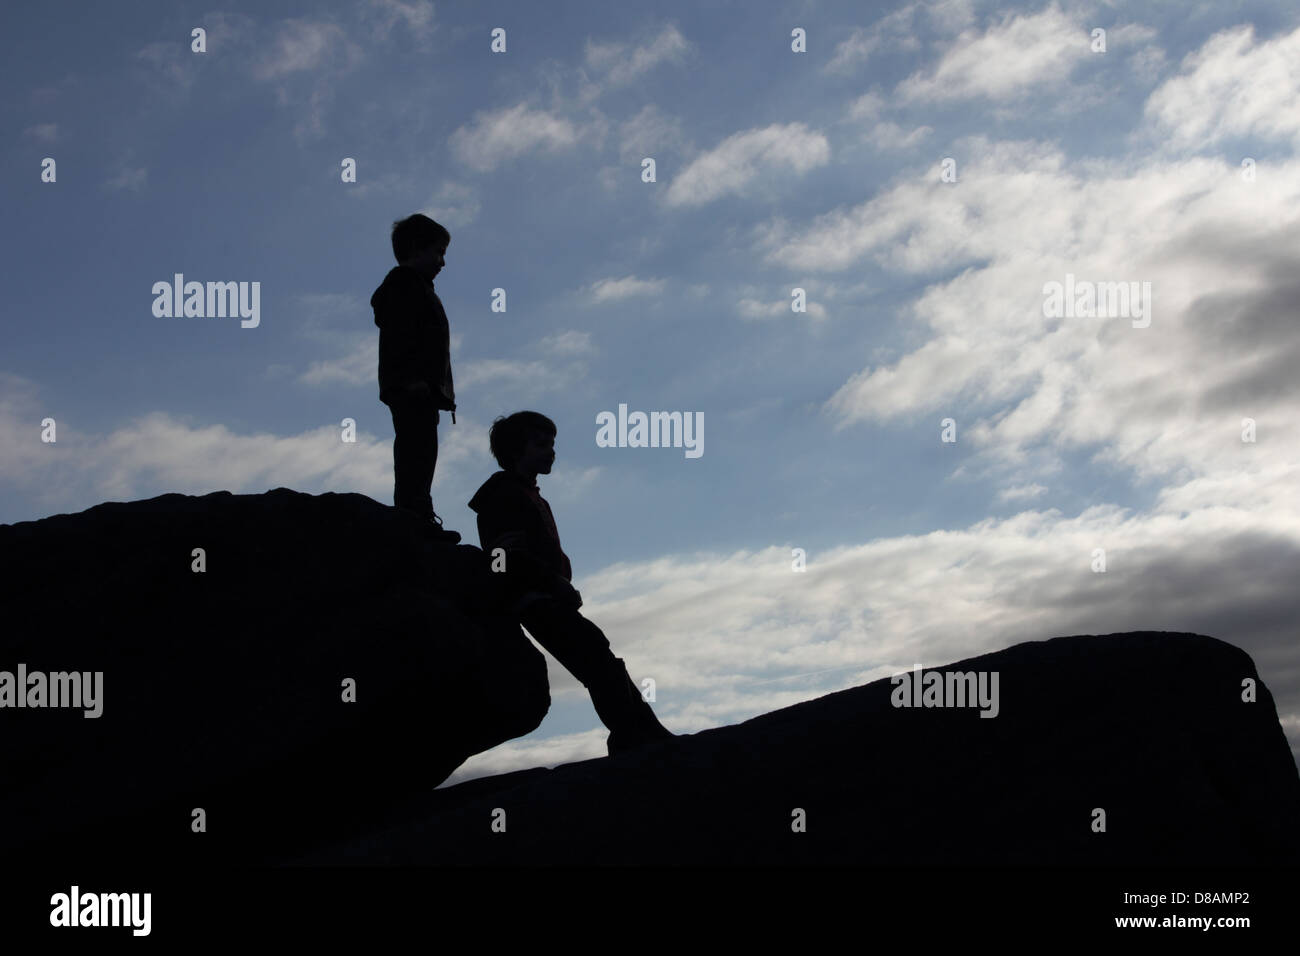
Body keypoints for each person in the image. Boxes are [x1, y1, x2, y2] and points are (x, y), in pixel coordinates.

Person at [468, 411, 675, 755]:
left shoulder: (528, 494)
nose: (551, 452)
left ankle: (641, 729)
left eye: (552, 445)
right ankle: (633, 734)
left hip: (544, 595)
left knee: (599, 656)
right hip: (532, 598)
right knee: (596, 657)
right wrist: (552, 582)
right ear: (517, 448)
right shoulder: (502, 494)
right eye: (541, 444)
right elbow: (504, 556)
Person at [372, 213, 460, 542]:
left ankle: (418, 509)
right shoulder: (404, 286)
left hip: (422, 388)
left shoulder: (416, 288)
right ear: (414, 249)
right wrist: (412, 378)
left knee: (422, 449)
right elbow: (400, 334)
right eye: (438, 252)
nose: (442, 262)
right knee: (416, 449)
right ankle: (414, 512)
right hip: (412, 387)